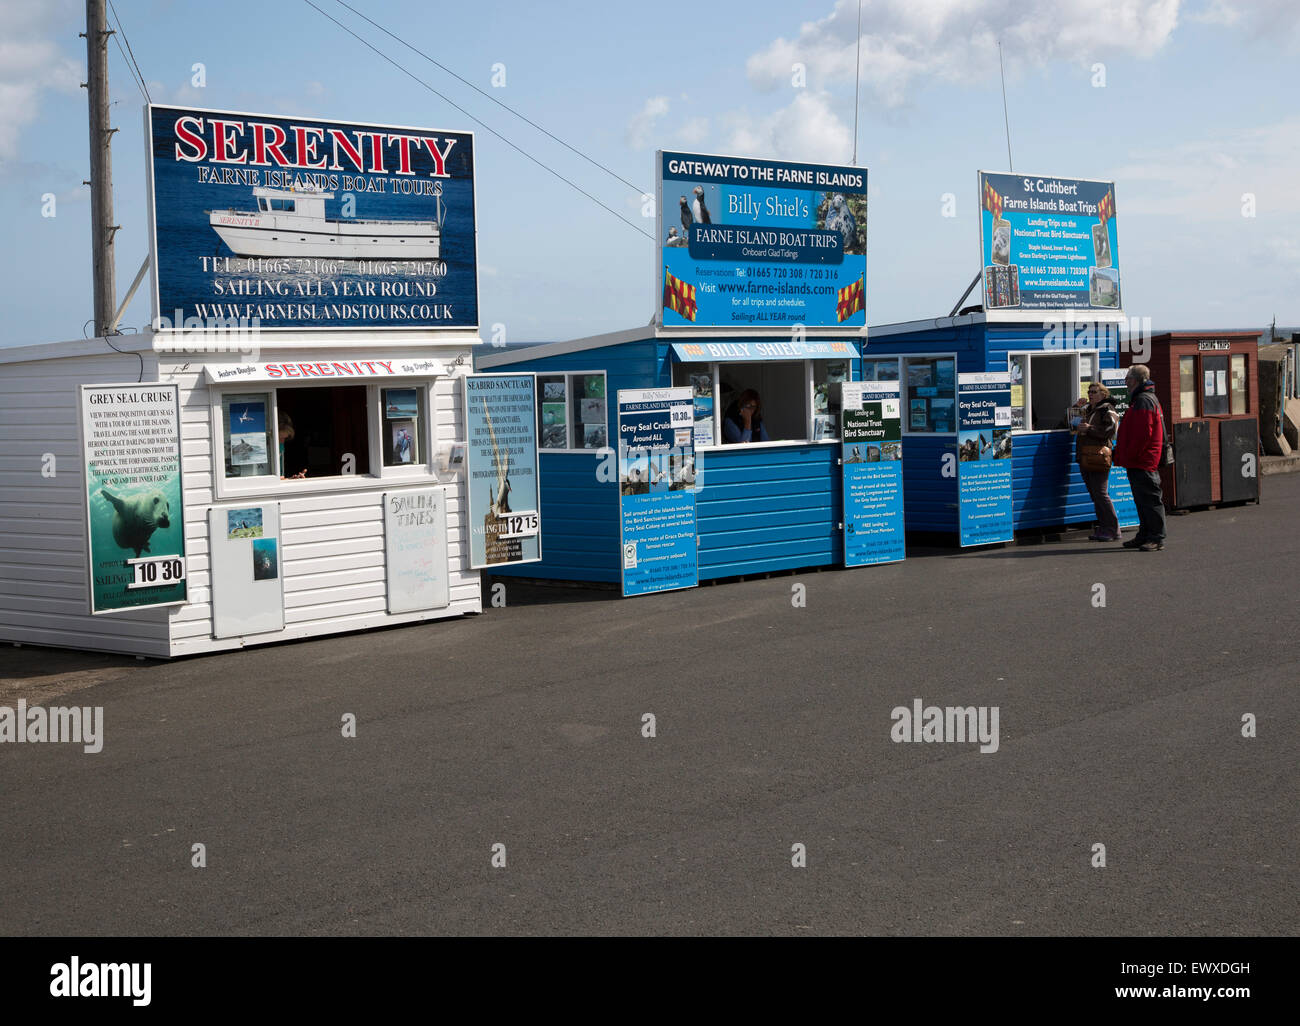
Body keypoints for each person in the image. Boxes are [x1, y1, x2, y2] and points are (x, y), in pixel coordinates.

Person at [1112, 364, 1166, 551]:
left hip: (1143, 460)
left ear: (1134, 380)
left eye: (1127, 378)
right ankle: (1145, 534)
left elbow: (1143, 434)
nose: (1125, 382)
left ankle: (1156, 537)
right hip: (1140, 459)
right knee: (1142, 500)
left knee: (1150, 500)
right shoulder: (1143, 399)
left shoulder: (1143, 400)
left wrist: (1130, 454)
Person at [1072, 382, 1121, 542]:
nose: (1090, 394)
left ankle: (1113, 529)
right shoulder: (1088, 409)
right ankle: (1104, 527)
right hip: (1085, 455)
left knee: (1101, 493)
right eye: (1089, 391)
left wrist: (1090, 429)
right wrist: (1076, 407)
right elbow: (1070, 424)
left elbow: (1112, 430)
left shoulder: (1107, 409)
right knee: (1095, 494)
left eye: (1094, 391)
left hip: (1099, 455)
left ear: (1103, 394)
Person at [278, 411, 307, 479]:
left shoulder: (281, 447)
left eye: (285, 438)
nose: (282, 442)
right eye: (280, 438)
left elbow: (281, 478)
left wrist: (291, 479)